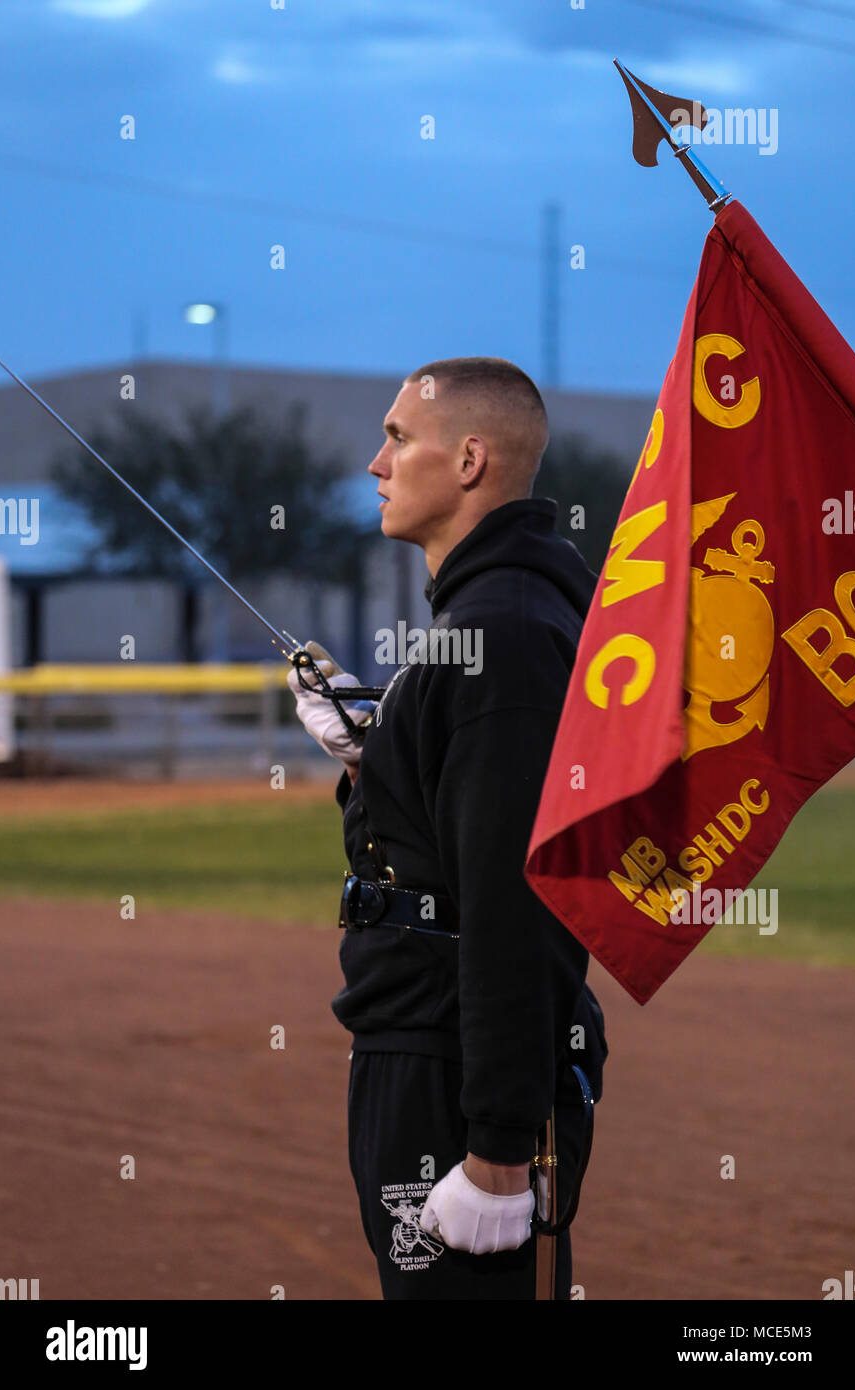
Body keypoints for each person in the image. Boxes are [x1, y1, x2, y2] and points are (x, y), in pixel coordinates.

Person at [288, 357, 608, 1300]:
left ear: (470, 459)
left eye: (397, 438)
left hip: (447, 1061)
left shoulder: (499, 631)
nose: (376, 464)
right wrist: (383, 753)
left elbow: (517, 903)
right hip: (427, 1042)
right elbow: (460, 822)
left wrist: (501, 1152)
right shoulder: (487, 618)